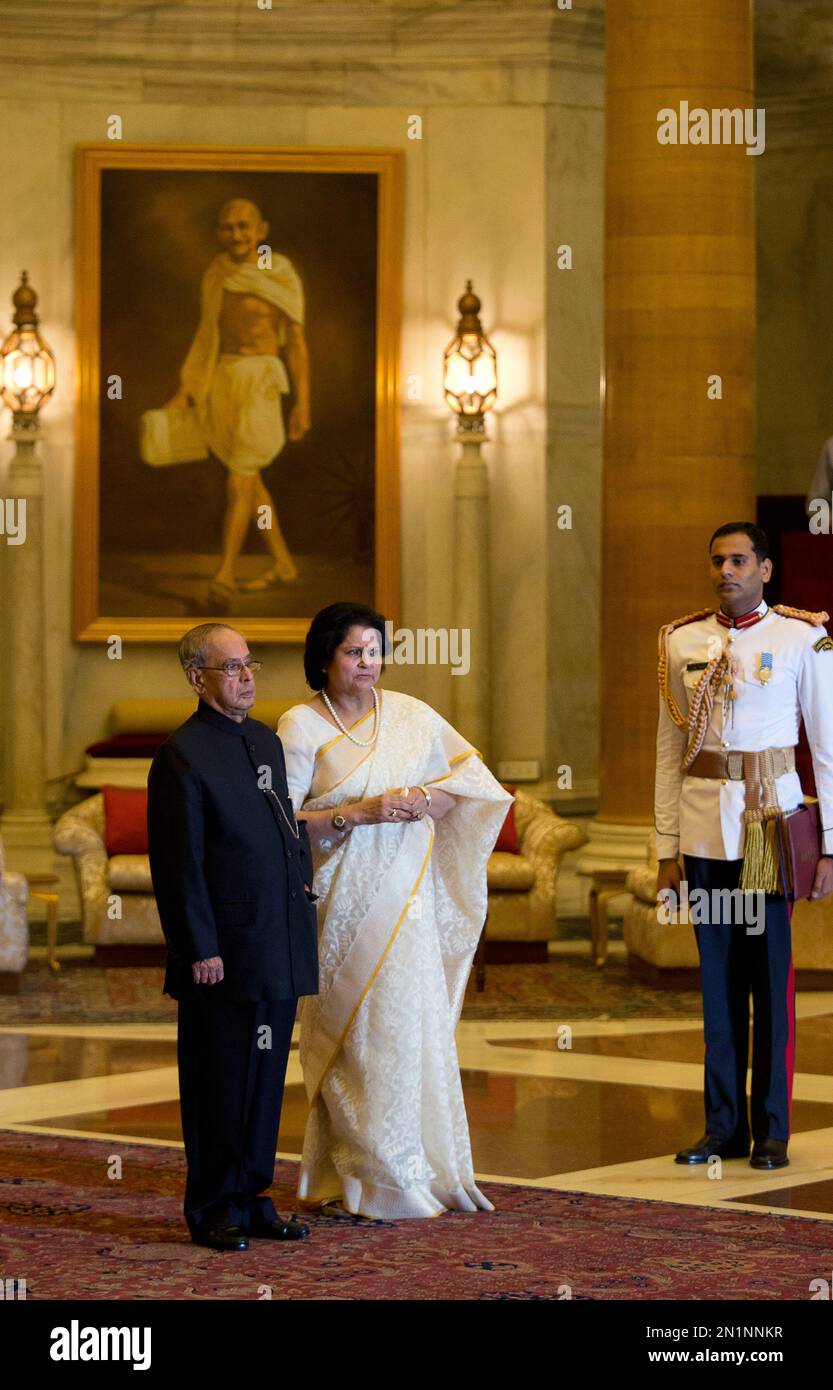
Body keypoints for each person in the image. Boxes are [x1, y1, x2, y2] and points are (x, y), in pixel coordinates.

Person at [277, 602, 512, 1219]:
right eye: (354, 652)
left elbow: (476, 789)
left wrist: (424, 798)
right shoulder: (299, 726)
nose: (367, 663)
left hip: (408, 909)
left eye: (374, 651)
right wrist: (363, 812)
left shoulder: (410, 715)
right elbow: (281, 826)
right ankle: (359, 1177)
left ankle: (414, 1171)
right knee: (355, 1040)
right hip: (336, 908)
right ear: (324, 656)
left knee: (407, 1034)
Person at [655, 523, 833, 1171]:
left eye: (737, 560)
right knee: (716, 983)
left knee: (770, 980)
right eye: (716, 561)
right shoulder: (680, 642)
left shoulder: (802, 638)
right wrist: (664, 847)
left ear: (764, 567)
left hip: (767, 825)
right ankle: (721, 1126)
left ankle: (773, 1130)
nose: (724, 571)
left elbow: (826, 747)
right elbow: (667, 750)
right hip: (704, 829)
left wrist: (831, 844)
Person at [147, 622, 319, 1250]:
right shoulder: (182, 755)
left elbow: (280, 829)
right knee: (218, 1080)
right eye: (232, 667)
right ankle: (214, 1206)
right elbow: (178, 862)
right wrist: (199, 947)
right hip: (220, 954)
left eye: (251, 664)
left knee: (266, 1079)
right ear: (198, 678)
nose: (247, 677)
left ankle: (253, 1197)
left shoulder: (265, 743)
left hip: (274, 941)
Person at [167, 198, 311, 609]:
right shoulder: (216, 274)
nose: (237, 235)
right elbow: (206, 338)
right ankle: (284, 563)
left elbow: (297, 343)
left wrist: (304, 403)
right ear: (219, 233)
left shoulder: (280, 274)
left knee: (239, 480)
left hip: (261, 382)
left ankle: (225, 573)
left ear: (262, 230)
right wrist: (188, 390)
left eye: (244, 227)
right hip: (224, 382)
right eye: (228, 227)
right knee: (251, 482)